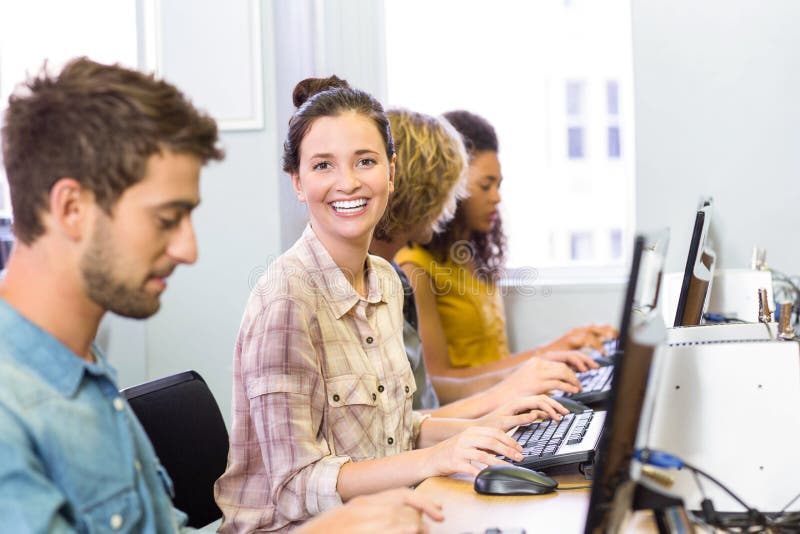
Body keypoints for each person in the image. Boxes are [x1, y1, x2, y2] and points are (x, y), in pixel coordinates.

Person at [0, 58, 436, 534]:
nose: (189, 249)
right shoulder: (13, 411)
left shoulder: (85, 378)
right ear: (71, 208)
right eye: (166, 219)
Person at [214, 77, 566, 533]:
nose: (348, 182)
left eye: (365, 161)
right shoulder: (287, 299)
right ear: (297, 182)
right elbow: (297, 485)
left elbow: (394, 429)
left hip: (385, 516)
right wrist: (434, 459)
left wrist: (483, 424)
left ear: (392, 172)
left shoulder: (384, 280)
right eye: (323, 166)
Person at [370, 108, 595, 414]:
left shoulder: (467, 257)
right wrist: (532, 366)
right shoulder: (410, 269)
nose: (496, 198)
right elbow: (432, 390)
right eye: (484, 185)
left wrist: (536, 369)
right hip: (469, 410)